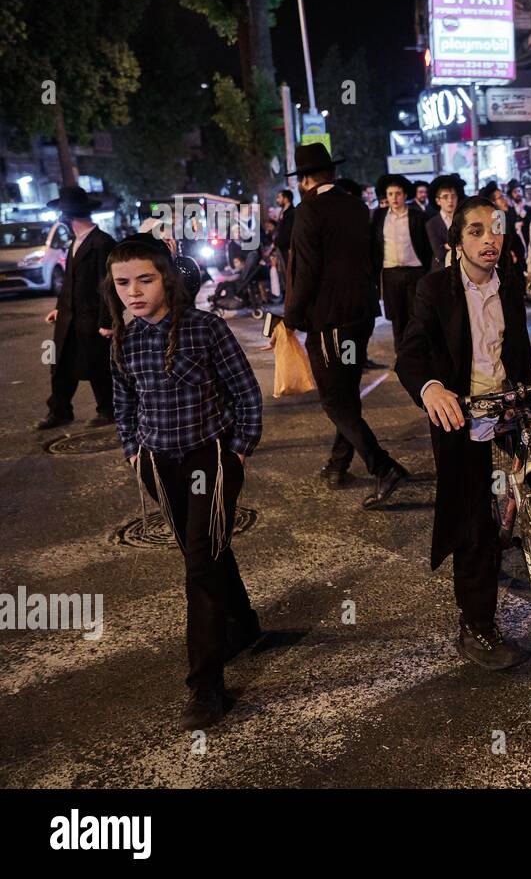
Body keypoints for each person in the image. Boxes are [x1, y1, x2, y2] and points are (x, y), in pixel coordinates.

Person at [396, 196, 531, 671]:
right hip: (460, 412)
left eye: (495, 230)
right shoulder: (434, 289)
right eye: (477, 231)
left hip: (511, 402)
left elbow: (516, 354)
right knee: (473, 522)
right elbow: (411, 353)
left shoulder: (509, 289)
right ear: (457, 241)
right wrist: (432, 388)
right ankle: (476, 626)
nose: (489, 240)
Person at [105, 238, 263, 730]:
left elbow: (246, 394)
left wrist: (237, 451)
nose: (133, 291)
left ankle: (205, 684)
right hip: (158, 464)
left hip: (208, 458)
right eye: (123, 282)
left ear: (168, 278)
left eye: (145, 279)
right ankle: (244, 624)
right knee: (206, 551)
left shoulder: (205, 329)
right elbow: (124, 405)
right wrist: (133, 452)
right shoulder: (123, 341)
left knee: (199, 563)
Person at [283, 143, 410, 504]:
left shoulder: (308, 211)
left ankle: (382, 466)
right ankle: (338, 463)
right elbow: (369, 258)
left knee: (334, 400)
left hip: (330, 321)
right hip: (360, 317)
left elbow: (306, 272)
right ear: (333, 175)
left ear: (304, 180)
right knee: (347, 389)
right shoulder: (357, 206)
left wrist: (291, 318)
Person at [35, 186, 116, 431]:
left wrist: (107, 322)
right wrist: (60, 308)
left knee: (98, 365)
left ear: (66, 216)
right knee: (60, 364)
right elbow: (70, 282)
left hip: (92, 319)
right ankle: (59, 411)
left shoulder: (102, 242)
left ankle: (107, 410)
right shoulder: (75, 243)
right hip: (69, 317)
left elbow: (109, 286)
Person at [371, 173, 431, 351]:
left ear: (405, 195)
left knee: (417, 314)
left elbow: (426, 245)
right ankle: (401, 352)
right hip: (391, 272)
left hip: (415, 271)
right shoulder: (379, 217)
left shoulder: (417, 217)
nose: (394, 198)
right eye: (390, 194)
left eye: (398, 193)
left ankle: (418, 351)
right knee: (397, 316)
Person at [425, 173, 465, 270]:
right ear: (438, 201)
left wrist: (447, 246)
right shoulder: (432, 224)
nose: (450, 200)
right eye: (445, 197)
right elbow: (439, 253)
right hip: (442, 269)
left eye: (453, 196)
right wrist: (458, 245)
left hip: (465, 266)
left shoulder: (464, 219)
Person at [273, 189, 296, 267]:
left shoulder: (291, 212)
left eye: (279, 197)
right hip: (282, 248)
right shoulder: (283, 212)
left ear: (286, 199)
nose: (277, 200)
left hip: (289, 248)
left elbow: (288, 233)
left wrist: (276, 241)